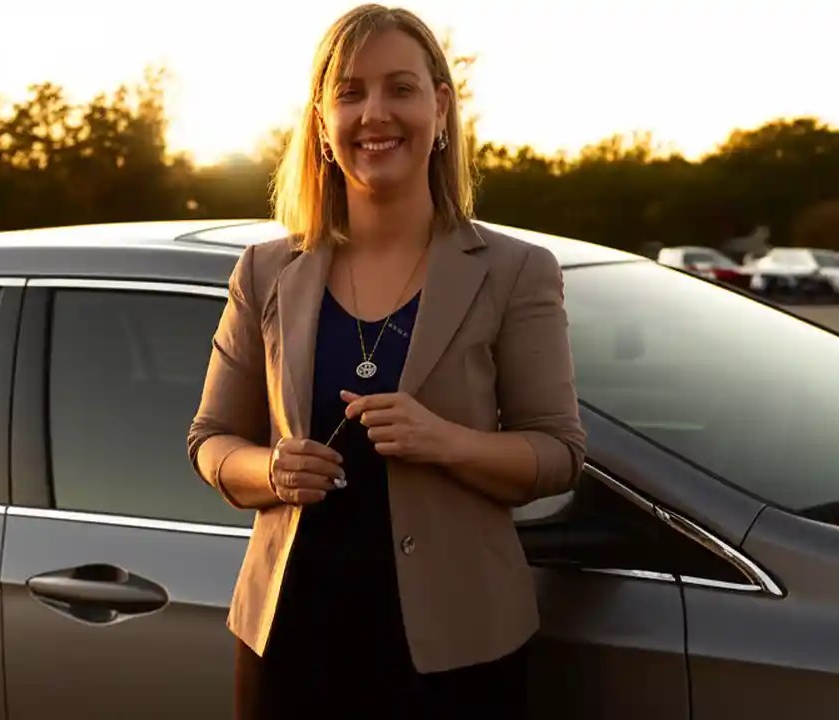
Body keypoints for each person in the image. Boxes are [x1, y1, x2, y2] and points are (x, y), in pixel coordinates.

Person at [187, 4, 587, 718]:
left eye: (400, 88)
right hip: (289, 646)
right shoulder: (265, 271)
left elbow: (557, 454)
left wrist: (446, 442)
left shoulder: (516, 270)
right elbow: (211, 442)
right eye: (350, 92)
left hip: (458, 654)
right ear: (320, 121)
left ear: (439, 106)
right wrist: (271, 469)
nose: (375, 112)